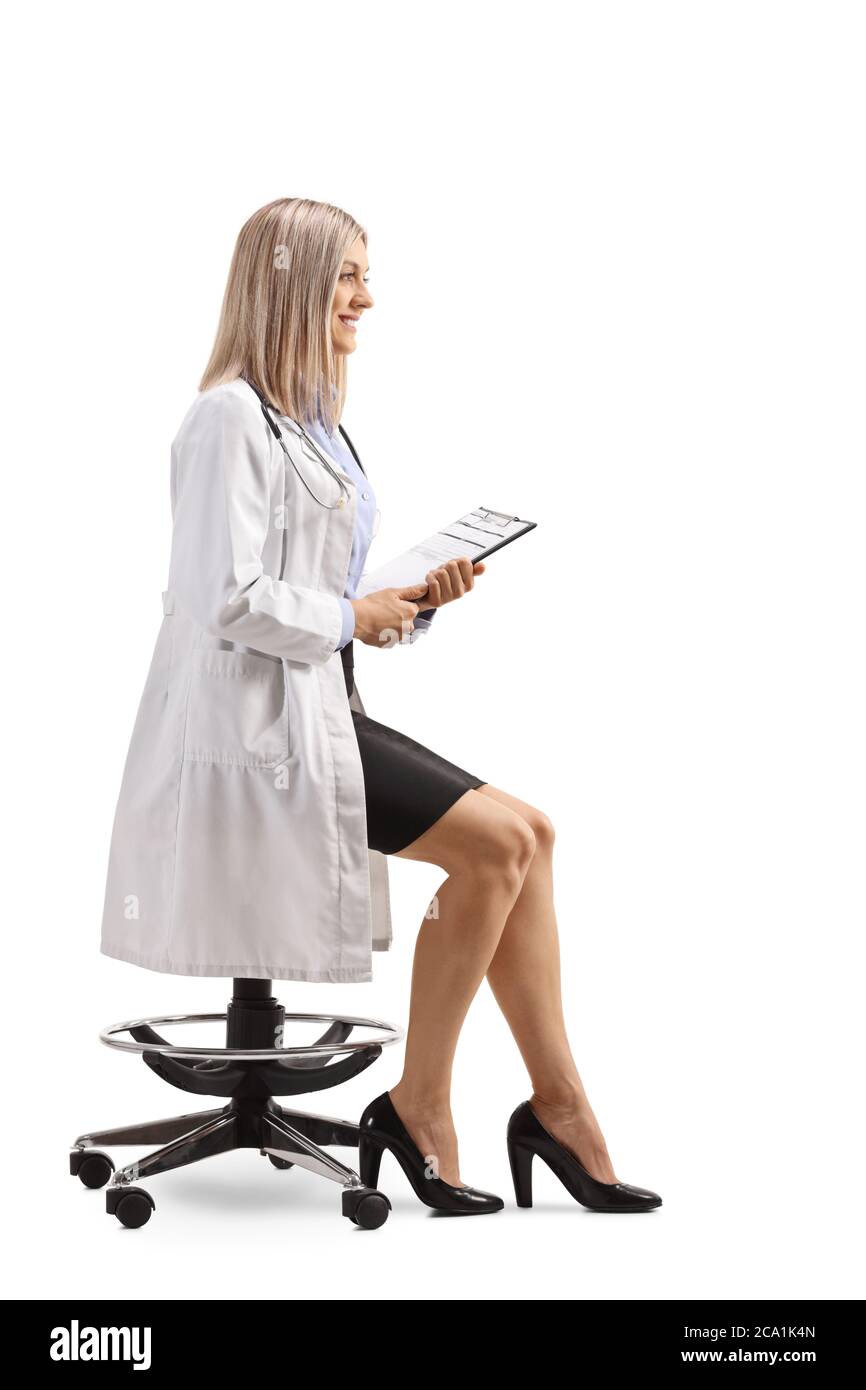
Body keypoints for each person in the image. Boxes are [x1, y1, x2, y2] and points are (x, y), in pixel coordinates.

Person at [100, 196, 661, 1217]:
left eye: (365, 274)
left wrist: (408, 603)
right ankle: (424, 1106)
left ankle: (554, 1103)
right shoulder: (226, 415)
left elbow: (331, 603)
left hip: (316, 702)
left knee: (529, 832)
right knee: (494, 846)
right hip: (249, 732)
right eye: (347, 276)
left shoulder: (315, 425)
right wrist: (352, 613)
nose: (367, 296)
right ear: (291, 284)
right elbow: (220, 598)